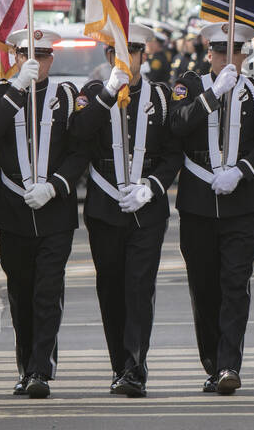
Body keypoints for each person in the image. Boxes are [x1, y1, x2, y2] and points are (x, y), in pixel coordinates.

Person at [168, 22, 254, 394]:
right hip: (199, 201)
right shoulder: (190, 85)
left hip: (241, 201)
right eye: (222, 52)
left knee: (235, 283)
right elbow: (177, 126)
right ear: (210, 54)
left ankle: (230, 364)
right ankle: (213, 362)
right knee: (204, 286)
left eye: (237, 52)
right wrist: (212, 95)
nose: (229, 59)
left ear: (245, 55)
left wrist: (243, 171)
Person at [74, 24, 182, 398]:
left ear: (142, 55)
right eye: (118, 53)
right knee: (111, 288)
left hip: (146, 207)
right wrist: (107, 93)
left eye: (133, 53)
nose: (127, 59)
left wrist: (152, 187)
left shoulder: (162, 97)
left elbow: (173, 153)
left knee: (139, 287)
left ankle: (135, 367)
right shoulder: (91, 94)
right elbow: (79, 135)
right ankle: (118, 364)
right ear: (108, 57)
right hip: (105, 206)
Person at [0, 27, 85, 398]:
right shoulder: (0, 92)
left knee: (47, 290)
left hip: (54, 209)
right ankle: (25, 366)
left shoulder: (68, 96)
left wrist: (55, 185)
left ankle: (41, 368)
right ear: (16, 57)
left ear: (51, 60)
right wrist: (17, 88)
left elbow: (78, 152)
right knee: (20, 293)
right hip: (14, 209)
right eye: (28, 55)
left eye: (42, 57)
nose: (36, 62)